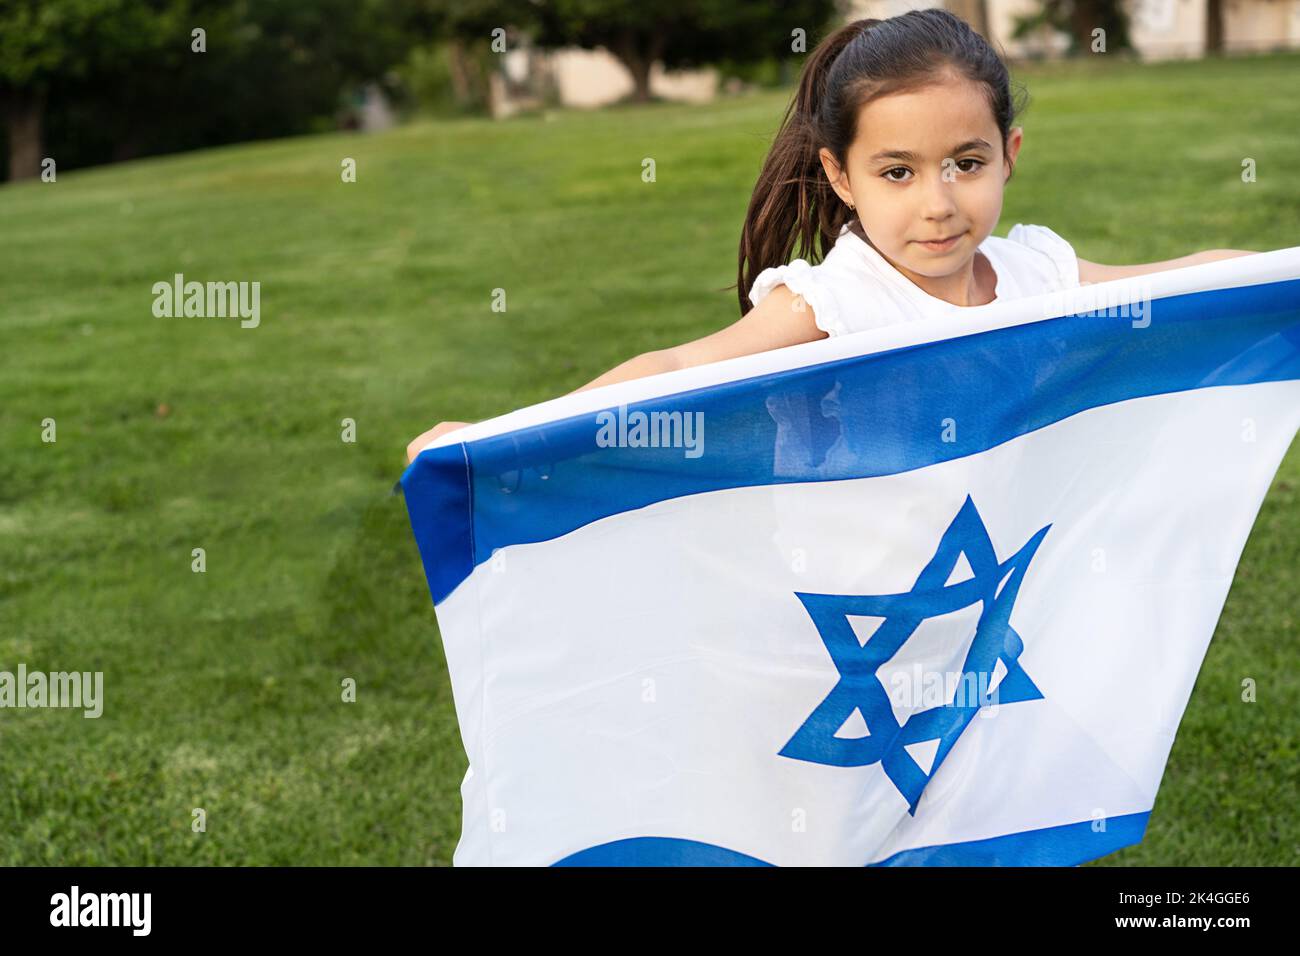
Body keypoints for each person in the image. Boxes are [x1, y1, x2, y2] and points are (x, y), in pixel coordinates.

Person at [406, 8, 1253, 464]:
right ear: (841, 177)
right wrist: (496, 436)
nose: (939, 203)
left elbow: (1176, 285)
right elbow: (675, 368)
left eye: (967, 162)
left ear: (1010, 155)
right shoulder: (835, 302)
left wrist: (1278, 275)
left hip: (994, 578)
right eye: (898, 172)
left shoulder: (1036, 269)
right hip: (860, 602)